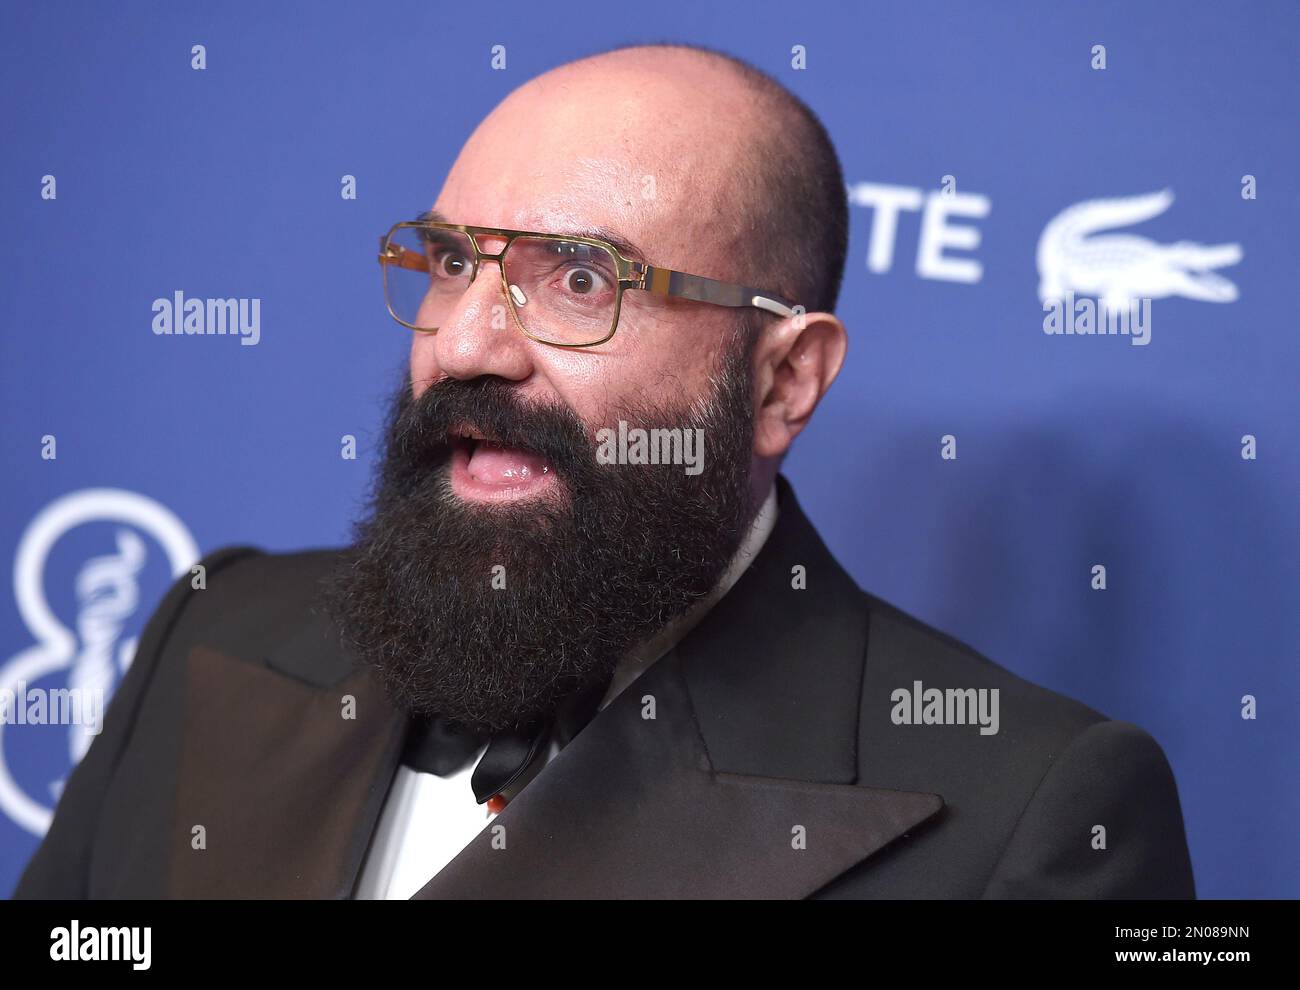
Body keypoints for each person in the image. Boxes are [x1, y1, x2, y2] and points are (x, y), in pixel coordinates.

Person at [15, 43, 1194, 899]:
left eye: (579, 280)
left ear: (784, 380)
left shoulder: (1033, 817)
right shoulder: (212, 635)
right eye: (448, 263)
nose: (467, 345)